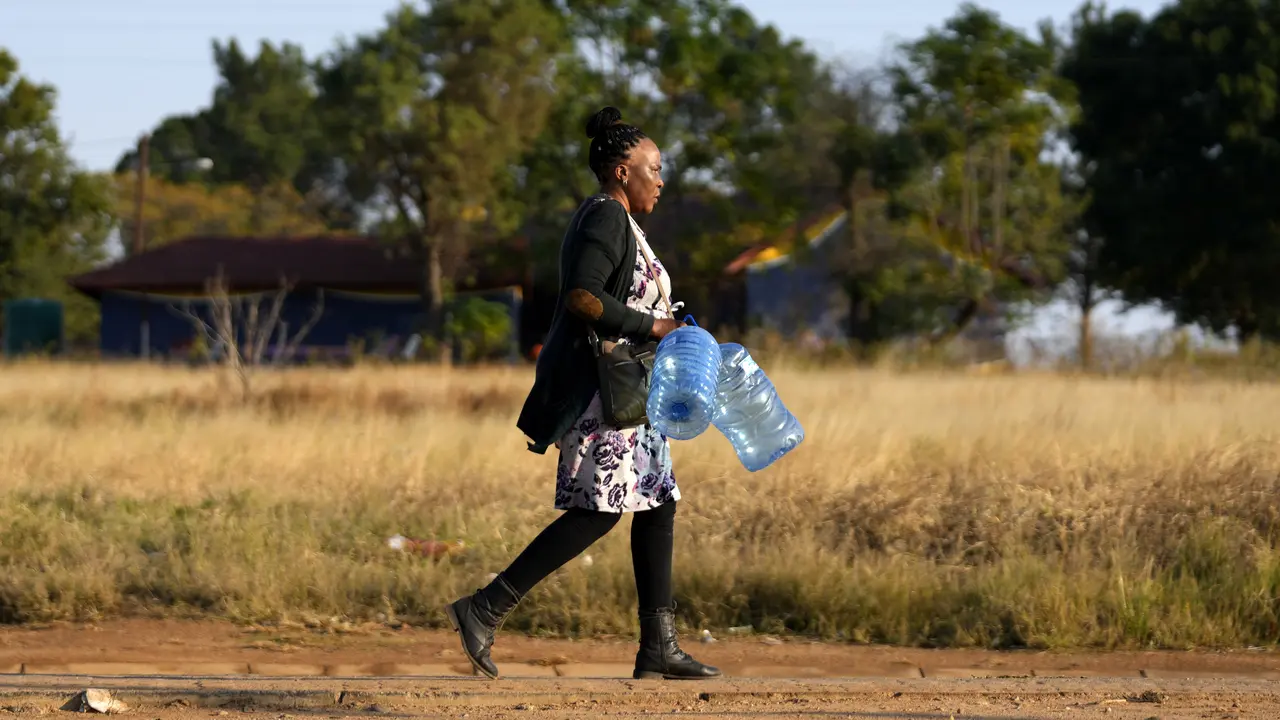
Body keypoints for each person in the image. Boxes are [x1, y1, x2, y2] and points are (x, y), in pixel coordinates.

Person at [445, 106, 720, 682]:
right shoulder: (605, 219)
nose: (661, 179)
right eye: (654, 167)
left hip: (632, 395)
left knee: (657, 503)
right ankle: (484, 607)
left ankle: (658, 648)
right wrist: (657, 328)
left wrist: (671, 324)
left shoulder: (624, 222)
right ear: (623, 171)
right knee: (597, 513)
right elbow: (582, 298)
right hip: (603, 394)